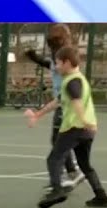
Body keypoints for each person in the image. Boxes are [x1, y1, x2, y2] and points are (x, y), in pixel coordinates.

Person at [29, 46, 107, 208]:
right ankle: (101, 196)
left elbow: (77, 101)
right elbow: (58, 101)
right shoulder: (77, 79)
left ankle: (57, 190)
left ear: (67, 62)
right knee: (84, 164)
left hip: (75, 127)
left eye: (58, 63)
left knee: (54, 158)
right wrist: (38, 114)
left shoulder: (72, 81)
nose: (57, 67)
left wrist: (82, 120)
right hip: (88, 130)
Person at [24, 24, 82, 190]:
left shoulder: (65, 55)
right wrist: (33, 56)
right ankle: (70, 173)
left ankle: (64, 177)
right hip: (62, 101)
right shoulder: (58, 56)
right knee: (58, 140)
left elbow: (49, 62)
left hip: (65, 101)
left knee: (58, 143)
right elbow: (47, 63)